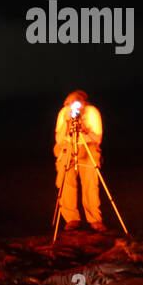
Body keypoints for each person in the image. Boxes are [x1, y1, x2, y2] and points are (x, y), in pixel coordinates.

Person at [54, 90, 106, 232]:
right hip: (68, 146)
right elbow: (58, 138)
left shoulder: (92, 112)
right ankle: (71, 219)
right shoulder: (63, 112)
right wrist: (67, 121)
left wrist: (84, 129)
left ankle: (95, 219)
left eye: (77, 101)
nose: (74, 105)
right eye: (70, 102)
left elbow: (98, 139)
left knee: (90, 183)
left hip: (88, 146)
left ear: (84, 101)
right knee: (66, 182)